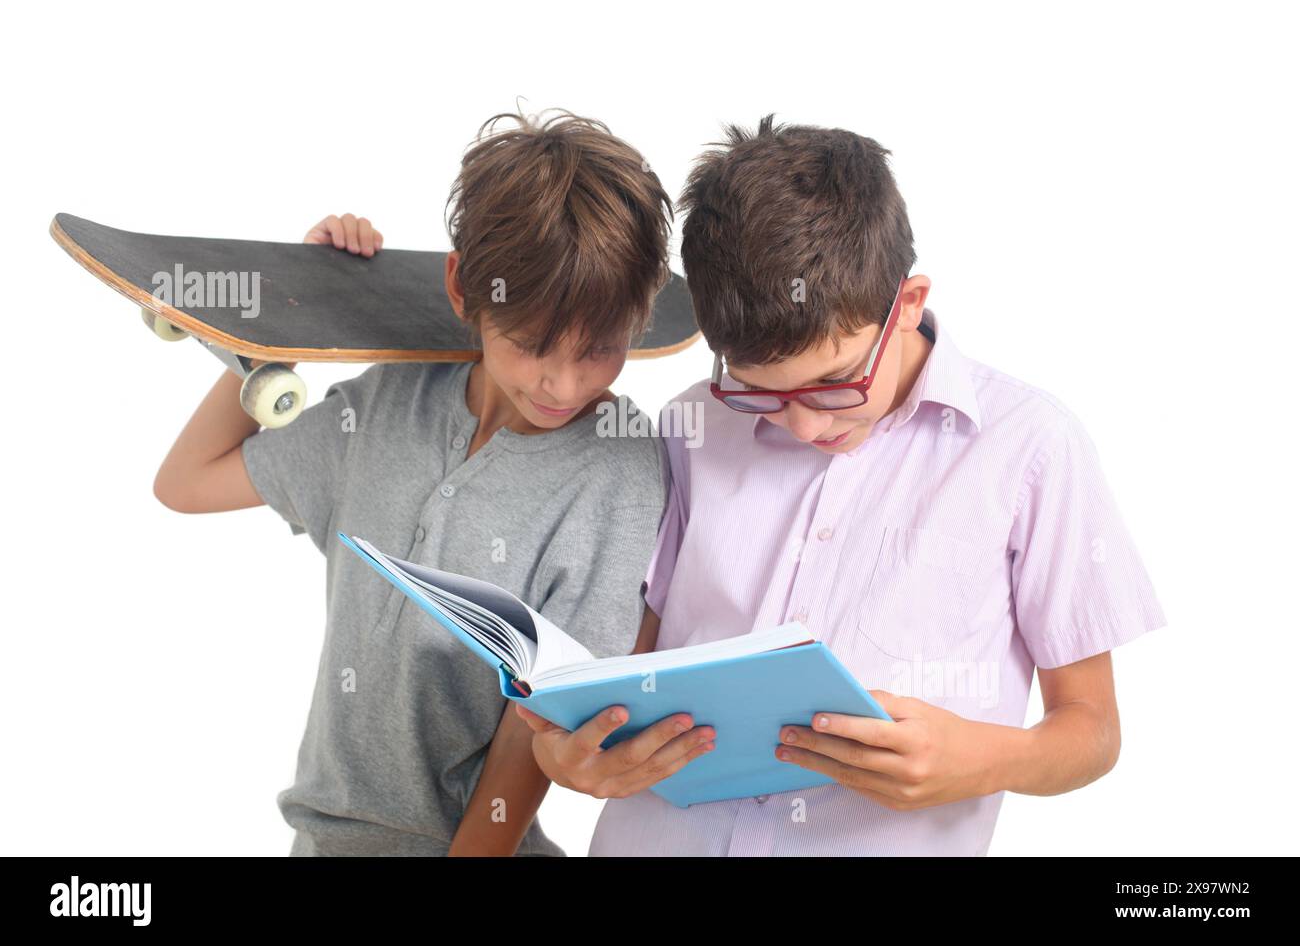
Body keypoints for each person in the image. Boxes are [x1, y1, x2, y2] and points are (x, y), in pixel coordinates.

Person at [520, 115, 1166, 855]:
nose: (799, 425)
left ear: (910, 303)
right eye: (760, 390)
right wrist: (571, 755)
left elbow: (1092, 731)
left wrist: (979, 759)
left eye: (832, 383)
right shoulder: (692, 427)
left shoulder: (1030, 447)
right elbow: (628, 667)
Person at [153, 110, 673, 855]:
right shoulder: (388, 405)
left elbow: (535, 732)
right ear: (464, 289)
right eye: (531, 346)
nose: (564, 382)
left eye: (601, 349)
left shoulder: (618, 473)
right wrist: (280, 319)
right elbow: (186, 481)